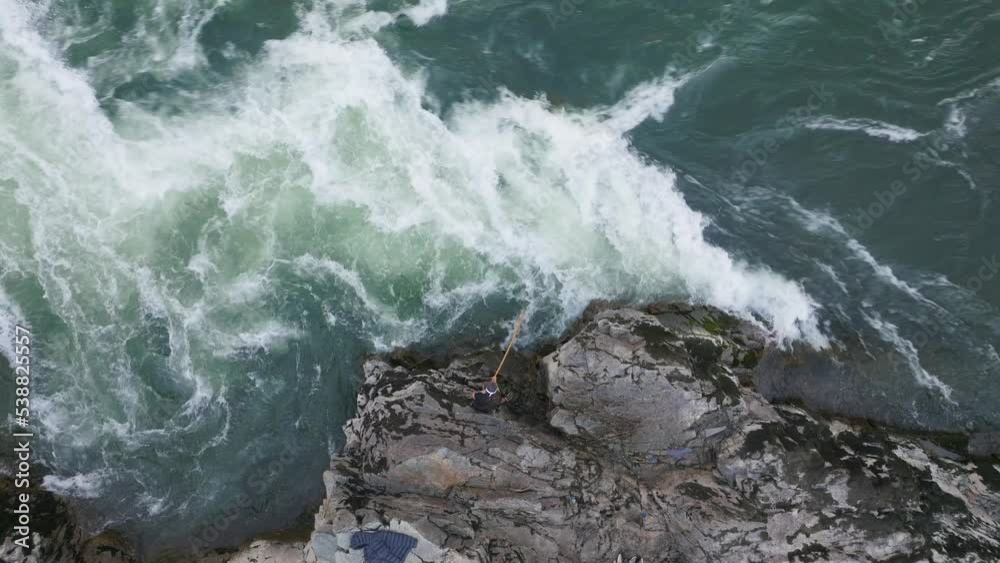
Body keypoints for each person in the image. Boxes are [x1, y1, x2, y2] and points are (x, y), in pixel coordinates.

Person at [470, 311, 524, 413]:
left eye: (485, 387)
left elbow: (472, 395)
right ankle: (505, 400)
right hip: (490, 407)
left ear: (486, 390)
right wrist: (494, 381)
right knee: (500, 399)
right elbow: (496, 391)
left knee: (478, 395)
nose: (484, 386)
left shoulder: (481, 396)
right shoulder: (497, 396)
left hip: (478, 406)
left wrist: (481, 391)